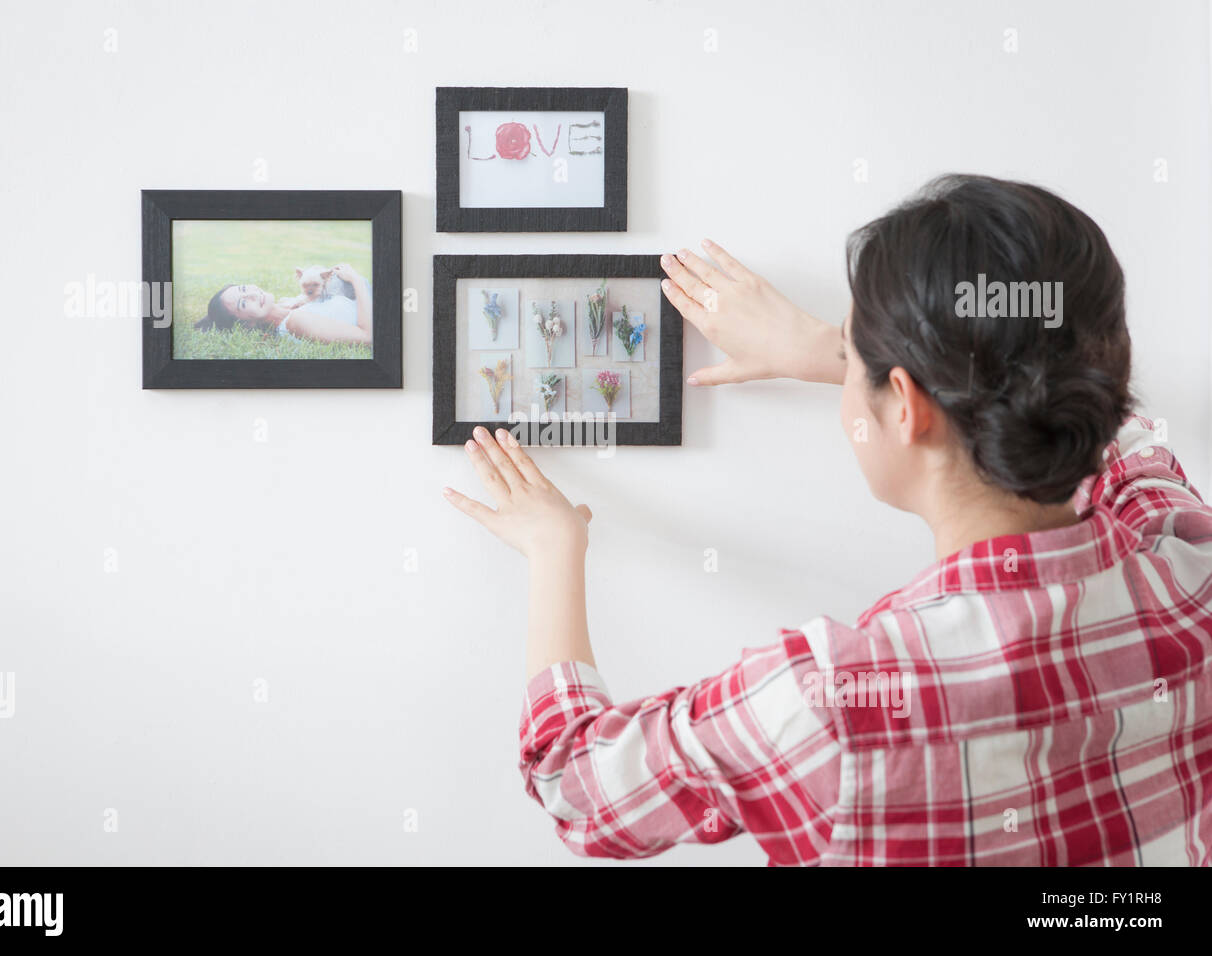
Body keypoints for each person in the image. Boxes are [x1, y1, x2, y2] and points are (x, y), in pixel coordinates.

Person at [442, 174, 1212, 865]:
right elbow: (1118, 430)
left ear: (904, 405)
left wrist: (554, 546)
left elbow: (575, 781)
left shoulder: (833, 705)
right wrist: (857, 354)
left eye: (855, 363)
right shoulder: (1186, 562)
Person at [195, 263, 372, 345]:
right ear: (247, 324)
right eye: (243, 303)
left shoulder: (293, 307)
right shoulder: (296, 321)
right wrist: (356, 280)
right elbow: (367, 337)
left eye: (243, 288)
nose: (251, 294)